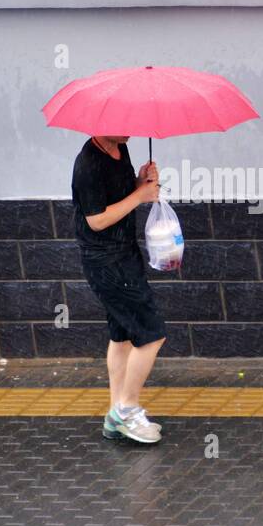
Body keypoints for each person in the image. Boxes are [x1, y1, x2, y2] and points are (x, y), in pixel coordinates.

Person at [71, 134, 166, 444]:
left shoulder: (119, 148)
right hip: (108, 263)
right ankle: (126, 409)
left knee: (122, 335)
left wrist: (140, 184)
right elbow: (97, 219)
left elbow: (117, 200)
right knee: (151, 332)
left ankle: (115, 412)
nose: (130, 129)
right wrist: (140, 197)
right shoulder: (88, 164)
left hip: (124, 254)